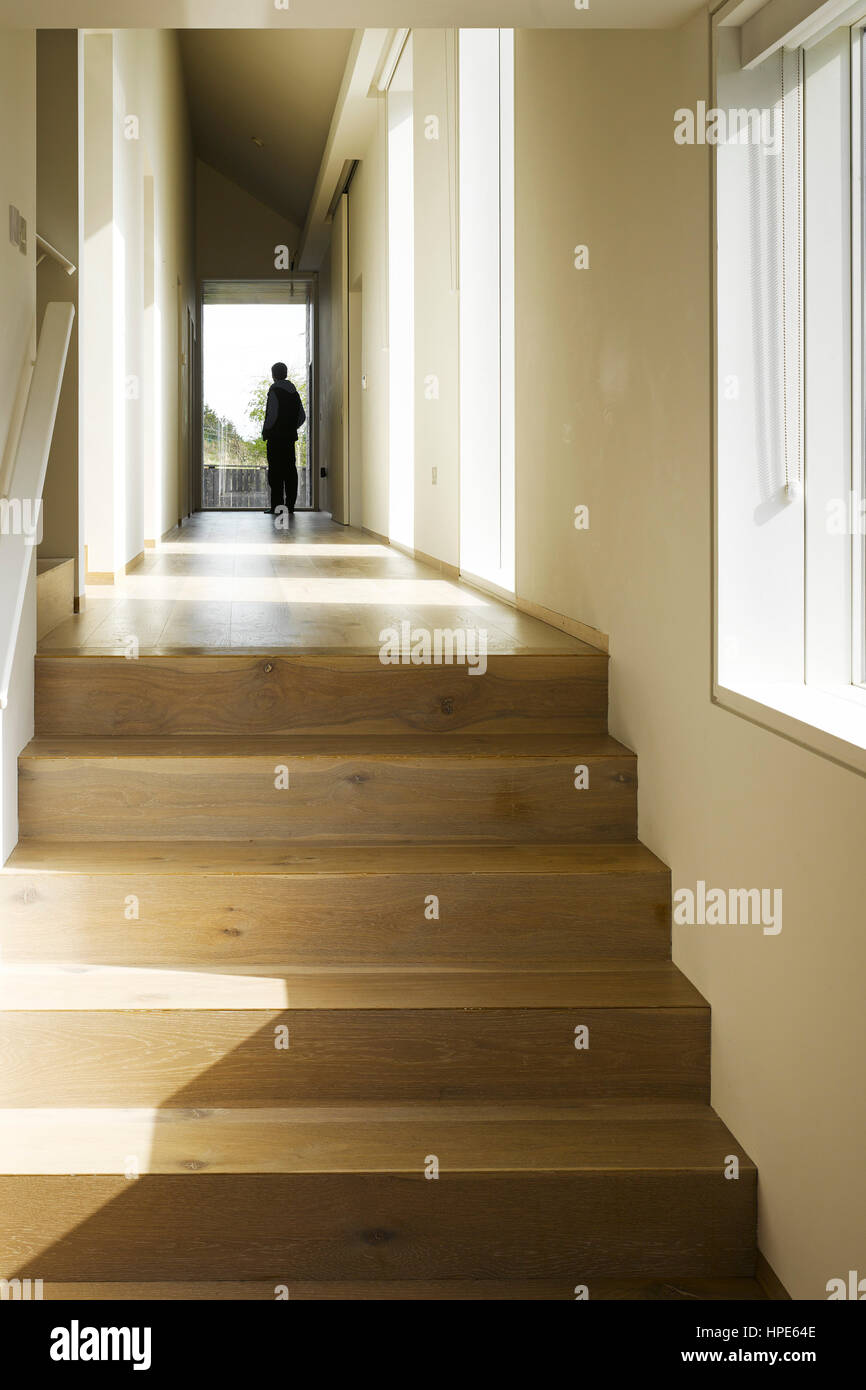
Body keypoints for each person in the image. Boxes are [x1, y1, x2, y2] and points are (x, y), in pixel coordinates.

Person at [261, 362, 306, 515]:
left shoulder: (274, 390)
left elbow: (272, 415)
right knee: (290, 473)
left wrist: (266, 430)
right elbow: (302, 416)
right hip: (289, 439)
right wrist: (291, 427)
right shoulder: (294, 392)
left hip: (275, 439)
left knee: (275, 473)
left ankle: (277, 507)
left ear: (273, 375)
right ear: (285, 374)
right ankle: (290, 507)